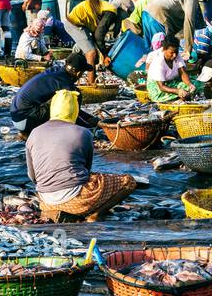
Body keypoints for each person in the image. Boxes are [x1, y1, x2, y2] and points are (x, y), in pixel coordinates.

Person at [27, 89, 137, 223]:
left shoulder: (34, 132)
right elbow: (86, 168)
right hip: (77, 199)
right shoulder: (82, 132)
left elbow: (32, 176)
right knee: (128, 181)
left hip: (46, 201)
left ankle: (69, 212)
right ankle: (96, 214)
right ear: (74, 110)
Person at [9, 51, 92, 135]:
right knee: (73, 96)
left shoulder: (56, 70)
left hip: (17, 117)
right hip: (26, 120)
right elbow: (74, 111)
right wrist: (93, 122)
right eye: (82, 73)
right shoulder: (65, 83)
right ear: (78, 73)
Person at [145, 0, 209, 50]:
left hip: (147, 13)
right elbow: (189, 21)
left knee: (150, 51)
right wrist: (188, 49)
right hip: (158, 18)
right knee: (163, 51)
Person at [62, 0, 118, 79]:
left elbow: (98, 35)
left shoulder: (108, 8)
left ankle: (74, 72)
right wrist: (105, 55)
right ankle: (91, 83)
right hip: (74, 24)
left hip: (83, 25)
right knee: (91, 53)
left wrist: (103, 53)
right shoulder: (112, 12)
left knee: (91, 52)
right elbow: (99, 35)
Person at [145, 36, 204, 102]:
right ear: (164, 50)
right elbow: (161, 87)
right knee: (184, 89)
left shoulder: (177, 56)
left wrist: (190, 84)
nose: (174, 55)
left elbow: (182, 72)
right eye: (171, 53)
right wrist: (177, 91)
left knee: (197, 83)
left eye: (176, 52)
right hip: (158, 88)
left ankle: (184, 96)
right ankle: (180, 98)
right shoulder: (159, 63)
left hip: (172, 81)